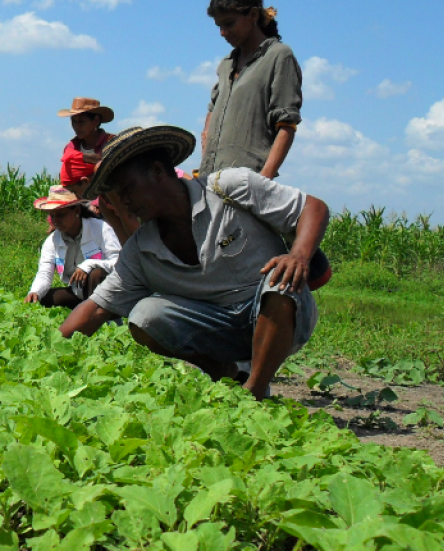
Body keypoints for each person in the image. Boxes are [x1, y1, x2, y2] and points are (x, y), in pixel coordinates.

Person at [58, 126, 329, 400]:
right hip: (220, 331)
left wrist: (298, 256)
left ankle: (255, 392)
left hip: (285, 314)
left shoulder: (229, 188)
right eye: (118, 195)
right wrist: (51, 352)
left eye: (128, 189)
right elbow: (95, 310)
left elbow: (313, 208)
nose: (125, 202)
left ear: (157, 171)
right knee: (144, 316)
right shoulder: (142, 249)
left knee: (278, 279)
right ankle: (228, 373)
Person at [198, 0, 331, 289]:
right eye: (218, 26)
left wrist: (265, 177)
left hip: (249, 177)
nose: (223, 33)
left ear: (253, 16)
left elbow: (286, 125)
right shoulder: (226, 65)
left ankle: (304, 278)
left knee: (251, 258)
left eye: (229, 24)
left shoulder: (278, 56)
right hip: (213, 179)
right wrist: (205, 152)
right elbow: (212, 108)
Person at [57, 97, 141, 244]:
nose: (77, 126)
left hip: (115, 201)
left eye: (81, 122)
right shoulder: (71, 148)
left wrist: (95, 203)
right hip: (82, 205)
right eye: (74, 122)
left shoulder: (112, 143)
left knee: (123, 229)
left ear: (95, 121)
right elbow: (67, 182)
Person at [25, 185, 121, 309]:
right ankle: (82, 311)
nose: (56, 221)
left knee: (96, 274)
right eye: (52, 216)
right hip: (78, 291)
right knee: (45, 298)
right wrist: (35, 292)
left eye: (61, 215)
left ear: (77, 211)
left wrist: (89, 264)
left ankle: (100, 318)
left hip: (107, 293)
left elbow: (119, 262)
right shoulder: (52, 241)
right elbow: (44, 273)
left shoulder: (101, 229)